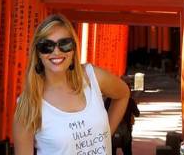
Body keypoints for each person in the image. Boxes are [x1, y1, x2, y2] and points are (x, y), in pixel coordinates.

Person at [13, 14, 131, 155]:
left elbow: (123, 94)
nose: (56, 51)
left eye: (64, 44)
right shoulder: (28, 104)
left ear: (74, 48)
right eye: (47, 46)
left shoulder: (92, 76)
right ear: (37, 53)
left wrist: (104, 135)